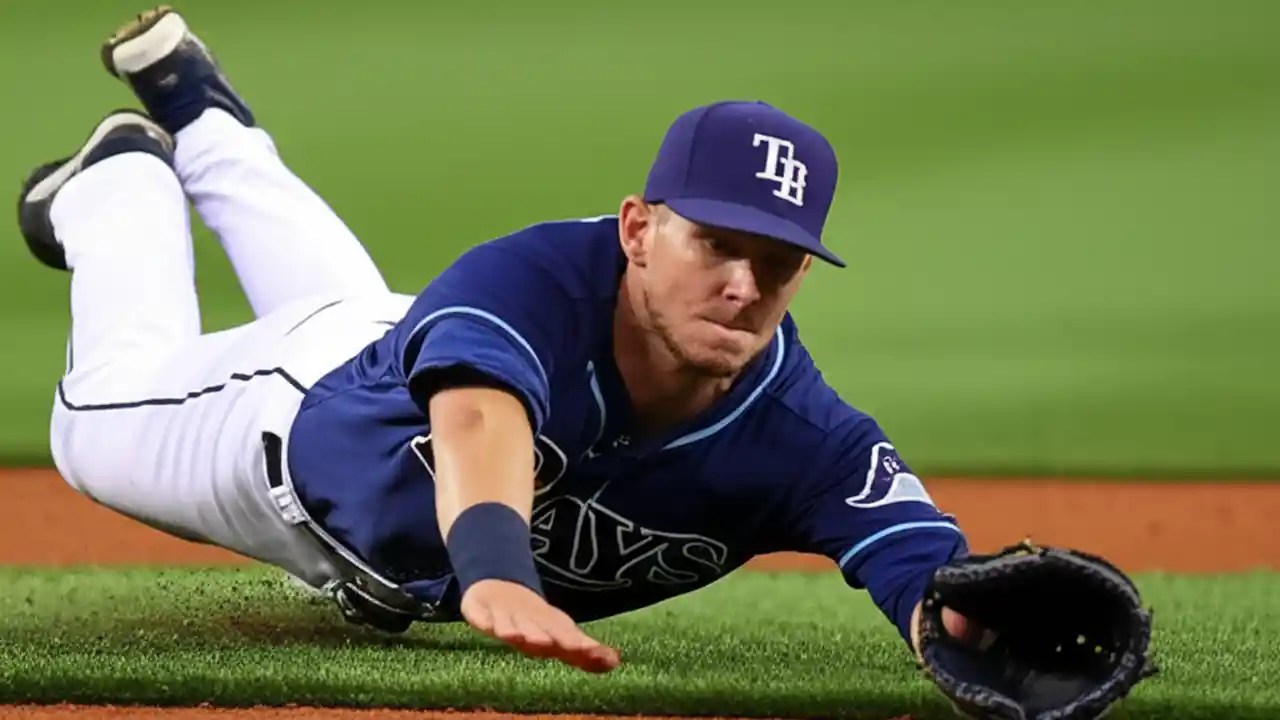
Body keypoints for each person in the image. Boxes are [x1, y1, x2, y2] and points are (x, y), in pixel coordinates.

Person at [19, 6, 976, 676]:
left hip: (391, 347)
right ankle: (122, 183)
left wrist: (959, 613)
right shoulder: (534, 279)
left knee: (359, 310)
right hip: (278, 421)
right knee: (96, 417)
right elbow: (478, 417)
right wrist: (494, 571)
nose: (744, 284)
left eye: (778, 261)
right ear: (639, 229)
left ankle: (208, 120)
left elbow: (908, 547)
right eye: (717, 244)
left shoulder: (801, 428)